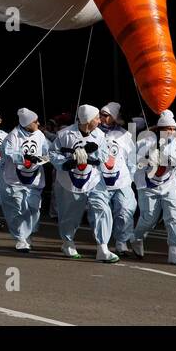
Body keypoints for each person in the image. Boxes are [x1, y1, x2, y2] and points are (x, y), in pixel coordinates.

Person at [131, 110, 176, 265]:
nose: (171, 131)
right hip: (147, 185)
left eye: (173, 128)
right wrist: (147, 159)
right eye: (168, 128)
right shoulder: (145, 141)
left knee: (174, 216)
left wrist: (165, 158)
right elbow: (132, 159)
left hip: (168, 184)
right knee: (149, 219)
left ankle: (174, 251)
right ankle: (136, 238)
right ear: (160, 128)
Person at [50, 104, 102, 259]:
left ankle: (103, 246)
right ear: (88, 120)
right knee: (70, 215)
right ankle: (68, 242)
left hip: (93, 180)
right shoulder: (64, 134)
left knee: (101, 209)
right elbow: (53, 152)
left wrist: (93, 155)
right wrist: (66, 162)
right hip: (70, 182)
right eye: (97, 118)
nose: (99, 121)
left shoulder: (99, 135)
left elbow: (104, 155)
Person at [0, 108, 51, 251]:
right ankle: (21, 238)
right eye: (35, 121)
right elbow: (7, 152)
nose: (38, 123)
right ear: (27, 123)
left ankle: (28, 233)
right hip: (15, 180)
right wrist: (25, 157)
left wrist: (44, 158)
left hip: (34, 179)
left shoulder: (40, 134)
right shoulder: (13, 136)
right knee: (19, 209)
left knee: (34, 208)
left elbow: (48, 150)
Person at [97, 102, 137, 254]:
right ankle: (103, 244)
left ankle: (121, 241)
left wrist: (130, 178)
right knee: (101, 213)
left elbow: (131, 159)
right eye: (101, 115)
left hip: (121, 180)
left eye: (106, 115)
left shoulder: (124, 135)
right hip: (100, 181)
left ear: (113, 117)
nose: (102, 118)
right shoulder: (94, 133)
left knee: (125, 210)